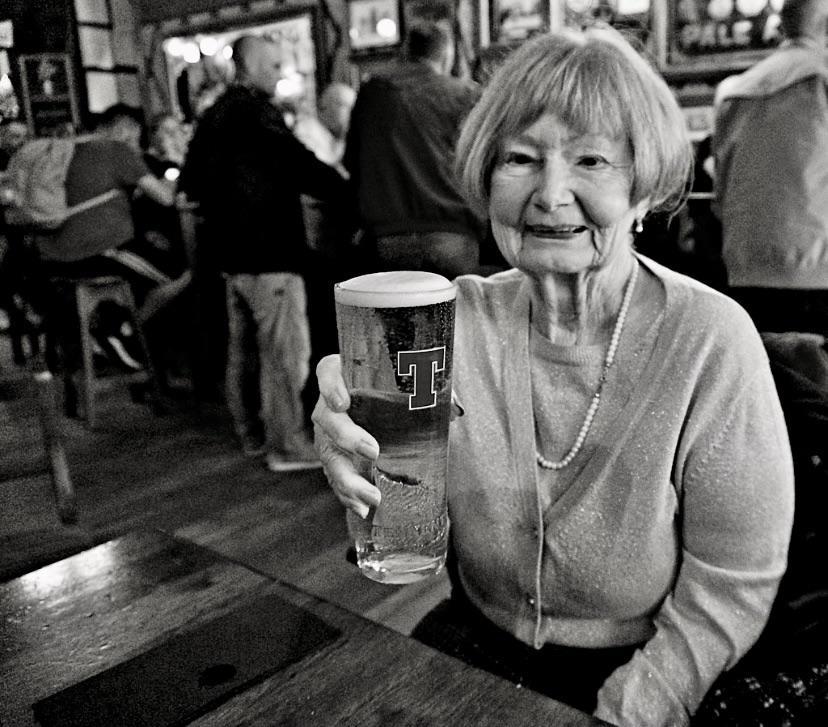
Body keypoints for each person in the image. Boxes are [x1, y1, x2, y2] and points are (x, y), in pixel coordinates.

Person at [312, 27, 795, 726]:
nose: (551, 192)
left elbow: (731, 583)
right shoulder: (449, 322)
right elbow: (398, 519)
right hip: (474, 644)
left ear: (642, 186)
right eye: (520, 158)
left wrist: (633, 706)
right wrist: (351, 448)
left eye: (591, 159)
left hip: (647, 667)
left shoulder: (708, 341)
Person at [180, 34, 349, 472]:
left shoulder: (213, 115)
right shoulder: (254, 114)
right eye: (273, 66)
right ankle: (288, 447)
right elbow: (300, 166)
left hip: (230, 257)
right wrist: (350, 192)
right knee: (284, 355)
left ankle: (251, 436)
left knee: (244, 352)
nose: (280, 74)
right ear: (248, 67)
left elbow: (190, 183)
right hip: (268, 252)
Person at [712, 0, 828, 335]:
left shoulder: (736, 90)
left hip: (745, 271)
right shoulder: (820, 78)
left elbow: (722, 192)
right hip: (817, 272)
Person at [344, 20, 485, 278]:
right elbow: (484, 164)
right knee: (458, 317)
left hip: (390, 238)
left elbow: (351, 161)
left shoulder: (374, 91)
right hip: (452, 235)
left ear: (406, 51)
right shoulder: (466, 94)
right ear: (446, 55)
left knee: (398, 318)